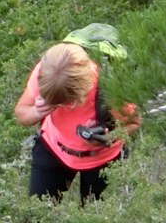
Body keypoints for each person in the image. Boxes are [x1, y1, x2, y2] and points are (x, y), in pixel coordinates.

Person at [13, 42, 139, 202]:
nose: (65, 108)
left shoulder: (109, 88)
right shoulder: (48, 72)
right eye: (57, 103)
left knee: (97, 219)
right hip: (53, 149)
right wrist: (36, 112)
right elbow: (21, 113)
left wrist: (109, 137)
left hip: (103, 161)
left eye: (69, 102)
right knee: (37, 215)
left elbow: (135, 122)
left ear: (83, 88)